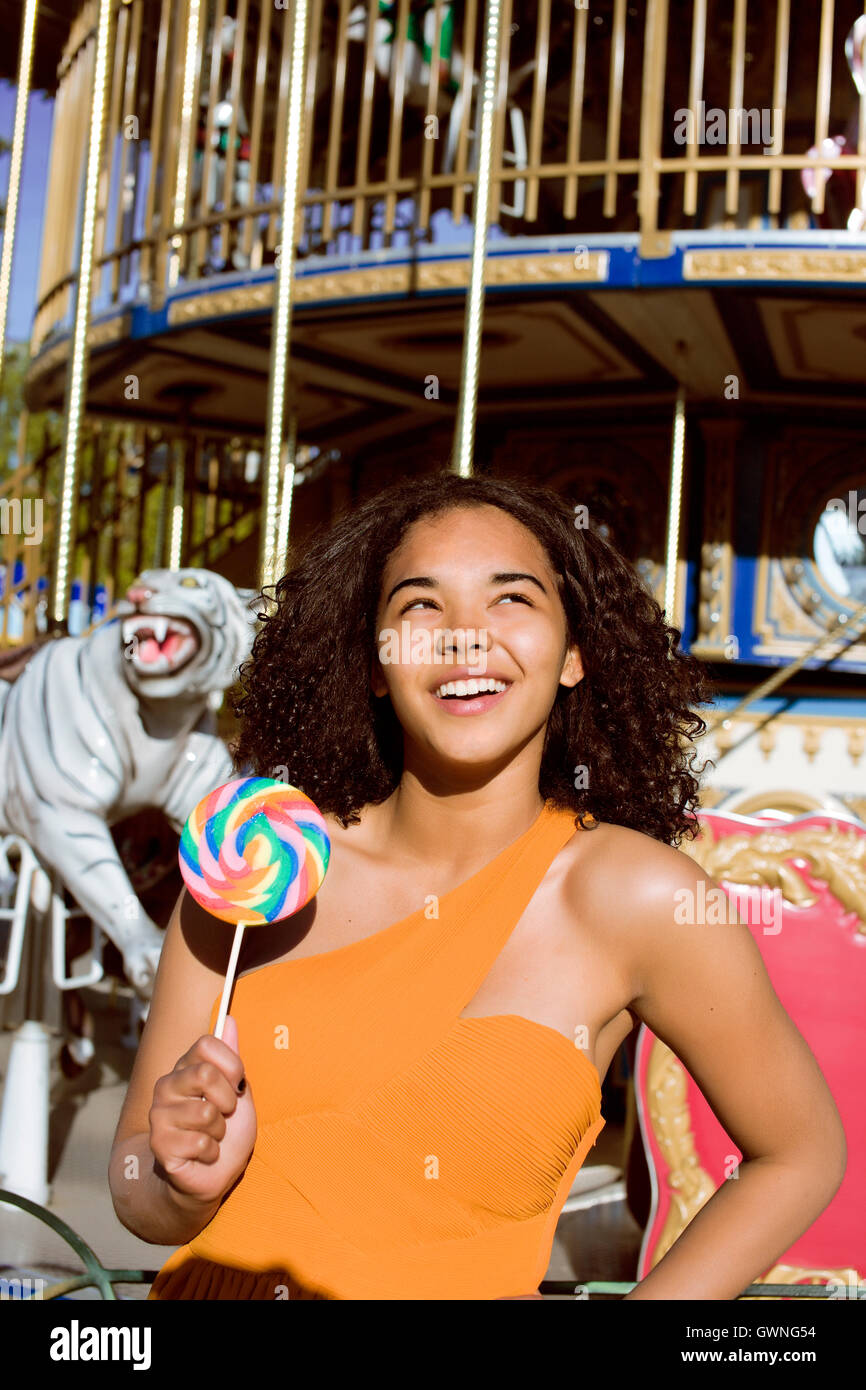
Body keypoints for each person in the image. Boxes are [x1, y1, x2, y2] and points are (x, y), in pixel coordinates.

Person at [108, 470, 846, 1299]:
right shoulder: (260, 869)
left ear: (575, 655)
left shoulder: (634, 897)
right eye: (420, 606)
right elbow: (138, 1190)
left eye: (511, 600)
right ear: (378, 664)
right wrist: (178, 1179)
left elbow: (802, 1151)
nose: (464, 635)